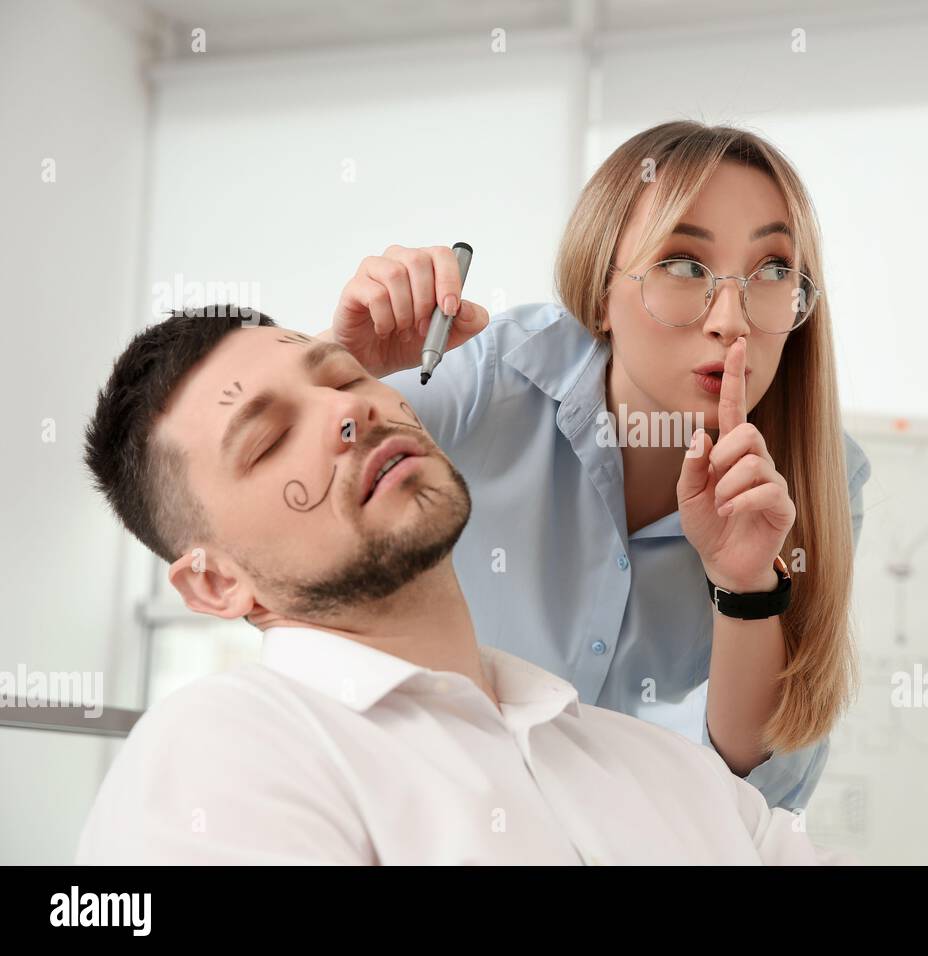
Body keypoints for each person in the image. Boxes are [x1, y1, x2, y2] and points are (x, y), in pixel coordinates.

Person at [75, 308, 855, 864]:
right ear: (215, 584)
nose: (349, 410)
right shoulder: (222, 753)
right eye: (272, 438)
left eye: (344, 375)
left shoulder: (658, 767)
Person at [325, 121, 870, 811]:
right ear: (600, 288)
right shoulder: (492, 376)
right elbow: (268, 502)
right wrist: (338, 361)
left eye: (772, 271)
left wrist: (746, 589)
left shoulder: (822, 478)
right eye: (683, 265)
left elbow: (759, 786)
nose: (731, 319)